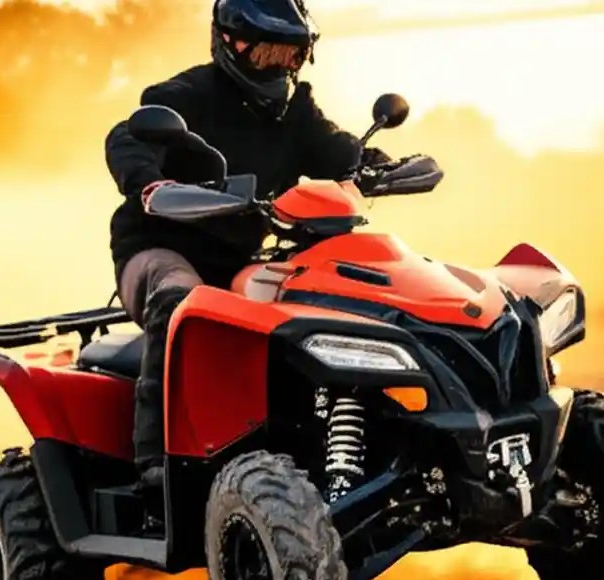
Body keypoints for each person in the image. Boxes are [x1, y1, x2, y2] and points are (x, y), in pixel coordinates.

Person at [105, 0, 392, 489]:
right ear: (229, 43)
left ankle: (323, 440)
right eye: (266, 53)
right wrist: (151, 184)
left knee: (328, 296)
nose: (279, 67)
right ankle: (158, 460)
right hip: (159, 248)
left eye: (290, 54)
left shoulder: (295, 110)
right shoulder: (184, 96)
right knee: (181, 297)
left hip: (240, 259)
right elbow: (126, 139)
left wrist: (376, 165)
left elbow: (335, 150)